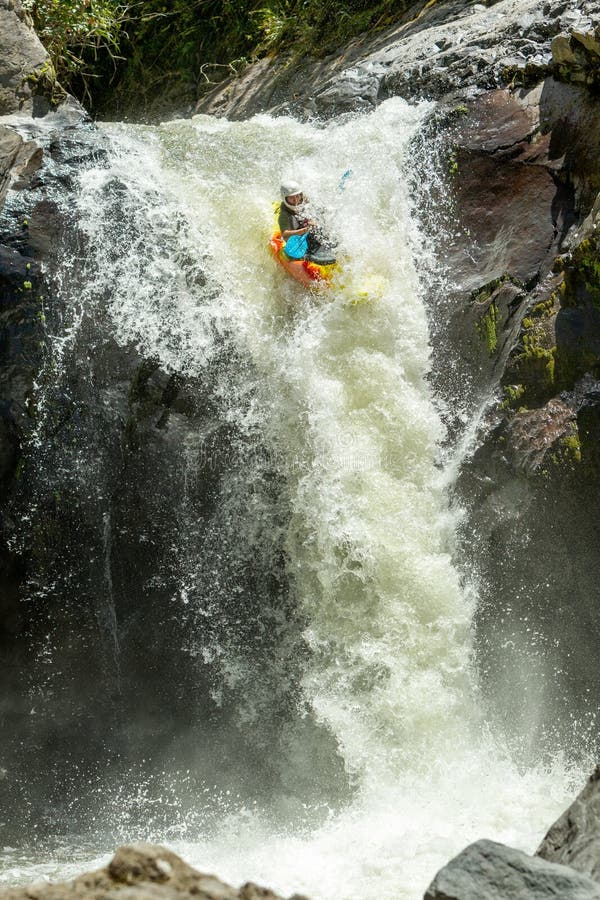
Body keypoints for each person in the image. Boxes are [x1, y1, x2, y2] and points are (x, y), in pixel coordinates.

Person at [278, 180, 336, 264]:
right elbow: (285, 235)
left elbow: (321, 212)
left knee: (320, 226)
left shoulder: (305, 201)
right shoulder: (284, 215)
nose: (296, 200)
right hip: (300, 240)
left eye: (297, 196)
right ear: (285, 198)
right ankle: (308, 256)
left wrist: (316, 221)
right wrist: (303, 230)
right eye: (291, 198)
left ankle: (331, 247)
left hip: (311, 233)